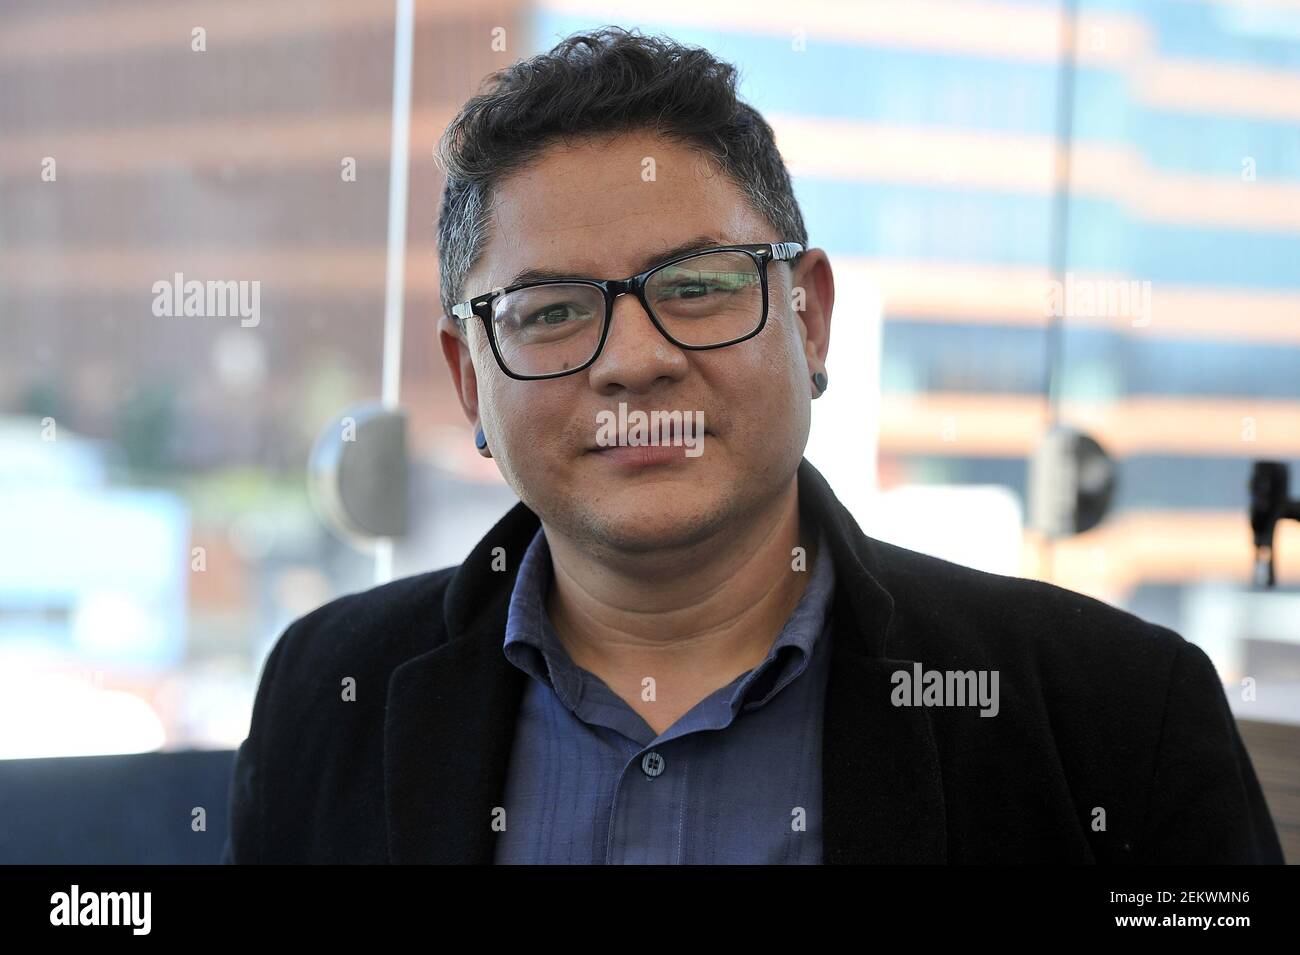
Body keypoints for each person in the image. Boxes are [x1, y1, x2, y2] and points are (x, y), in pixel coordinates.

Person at [222, 26, 1283, 864]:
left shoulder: (1110, 716)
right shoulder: (329, 691)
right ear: (467, 380)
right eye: (549, 311)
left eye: (695, 288)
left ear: (808, 319)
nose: (631, 361)